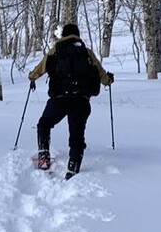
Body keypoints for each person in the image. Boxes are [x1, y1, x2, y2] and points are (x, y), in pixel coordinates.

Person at [27, 23, 114, 177]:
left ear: (63, 35)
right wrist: (108, 80)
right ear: (77, 35)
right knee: (77, 132)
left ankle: (44, 157)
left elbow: (41, 68)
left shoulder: (56, 50)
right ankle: (73, 163)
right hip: (81, 99)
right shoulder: (86, 53)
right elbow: (101, 74)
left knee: (44, 123)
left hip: (59, 99)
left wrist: (32, 76)